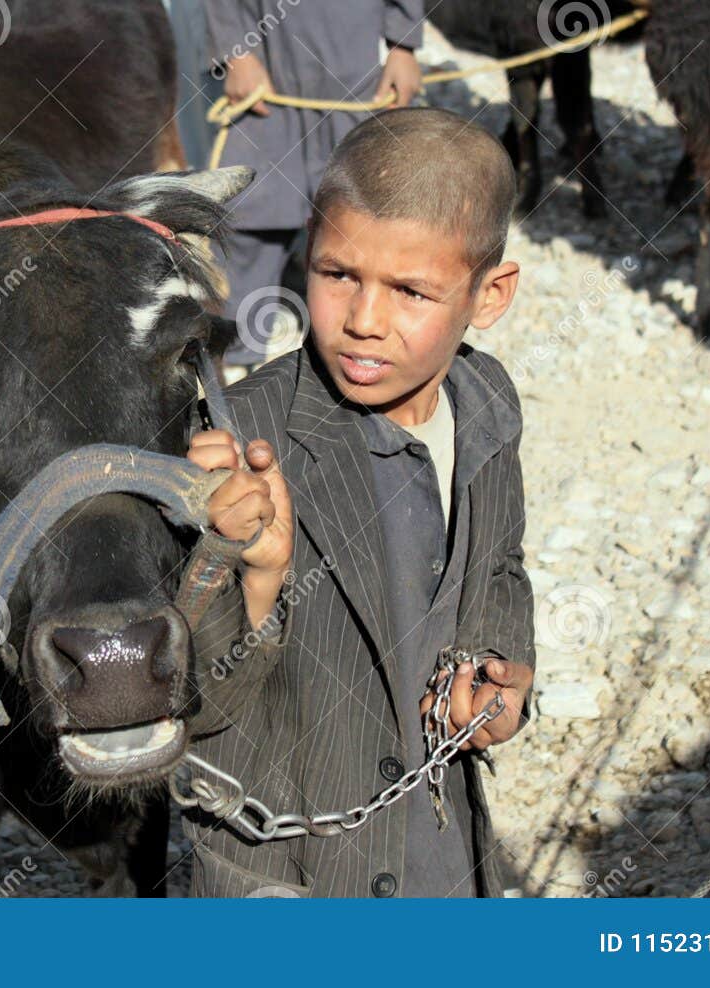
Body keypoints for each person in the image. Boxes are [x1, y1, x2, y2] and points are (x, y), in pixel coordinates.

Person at [185, 107, 537, 897]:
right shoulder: (244, 444)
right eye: (338, 274)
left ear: (491, 294)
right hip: (290, 878)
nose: (363, 322)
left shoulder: (487, 406)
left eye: (411, 291)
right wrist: (259, 578)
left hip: (441, 859)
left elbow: (502, 570)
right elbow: (193, 706)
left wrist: (501, 679)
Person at [204, 0, 425, 368]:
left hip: (353, 81)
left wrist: (403, 48)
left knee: (362, 217)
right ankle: (239, 358)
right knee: (252, 214)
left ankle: (357, 352)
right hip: (268, 81)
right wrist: (237, 54)